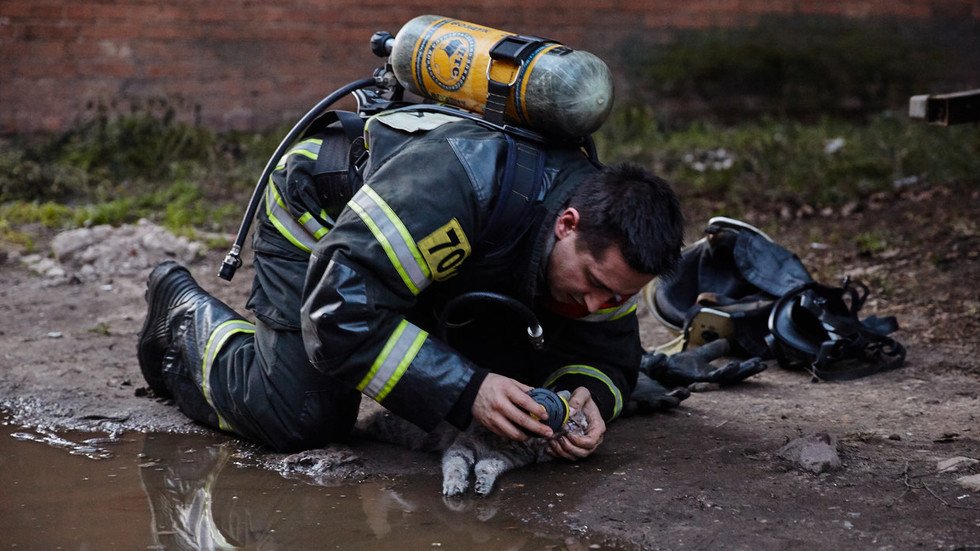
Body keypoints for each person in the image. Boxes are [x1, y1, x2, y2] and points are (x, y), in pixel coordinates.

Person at [137, 106, 685, 457]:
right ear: (568, 225)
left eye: (616, 296)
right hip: (325, 220)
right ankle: (181, 316)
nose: (596, 304)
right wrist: (468, 388)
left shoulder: (608, 253)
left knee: (515, 392)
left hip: (428, 261)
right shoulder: (456, 191)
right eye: (591, 284)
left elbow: (611, 357)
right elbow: (339, 313)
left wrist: (582, 397)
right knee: (300, 417)